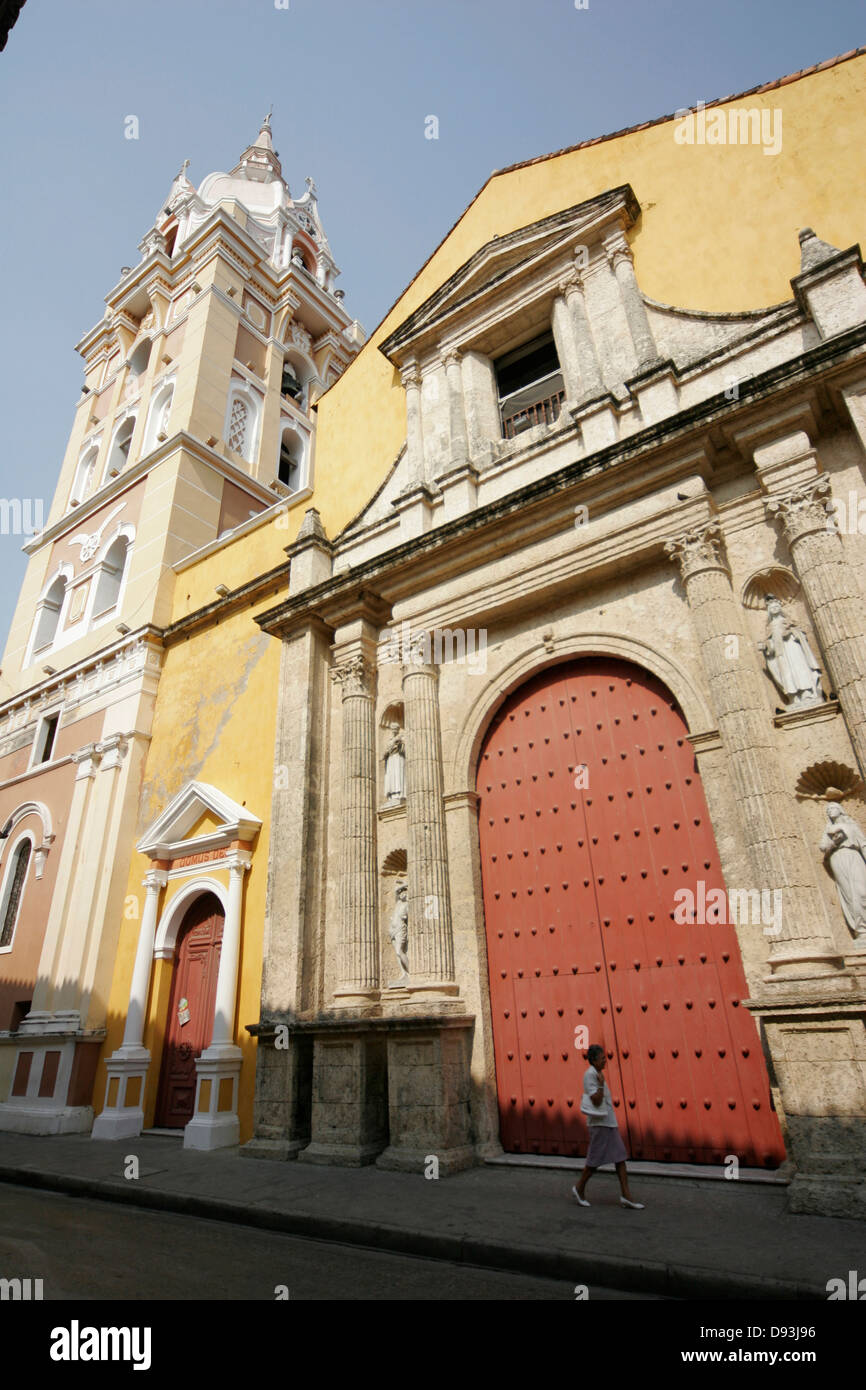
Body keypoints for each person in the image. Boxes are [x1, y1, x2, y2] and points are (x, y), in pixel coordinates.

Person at [572, 1044, 644, 1209]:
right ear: (594, 1060)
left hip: (608, 1123)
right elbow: (596, 1100)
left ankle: (626, 1196)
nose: (605, 1060)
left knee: (620, 1158)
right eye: (602, 1058)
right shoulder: (590, 1075)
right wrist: (601, 1084)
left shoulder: (597, 1073)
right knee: (594, 1161)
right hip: (600, 1125)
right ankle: (579, 1188)